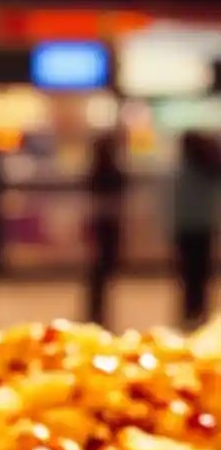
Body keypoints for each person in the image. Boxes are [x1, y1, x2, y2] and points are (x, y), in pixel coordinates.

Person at [173, 131, 220, 327]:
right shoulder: (207, 167)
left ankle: (191, 313)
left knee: (190, 275)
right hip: (202, 227)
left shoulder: (183, 169)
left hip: (186, 228)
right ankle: (197, 312)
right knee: (199, 274)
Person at [86, 132, 127, 325]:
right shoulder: (111, 170)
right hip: (108, 224)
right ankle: (97, 311)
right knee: (103, 270)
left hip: (100, 223)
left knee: (98, 272)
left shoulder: (95, 169)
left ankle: (95, 311)